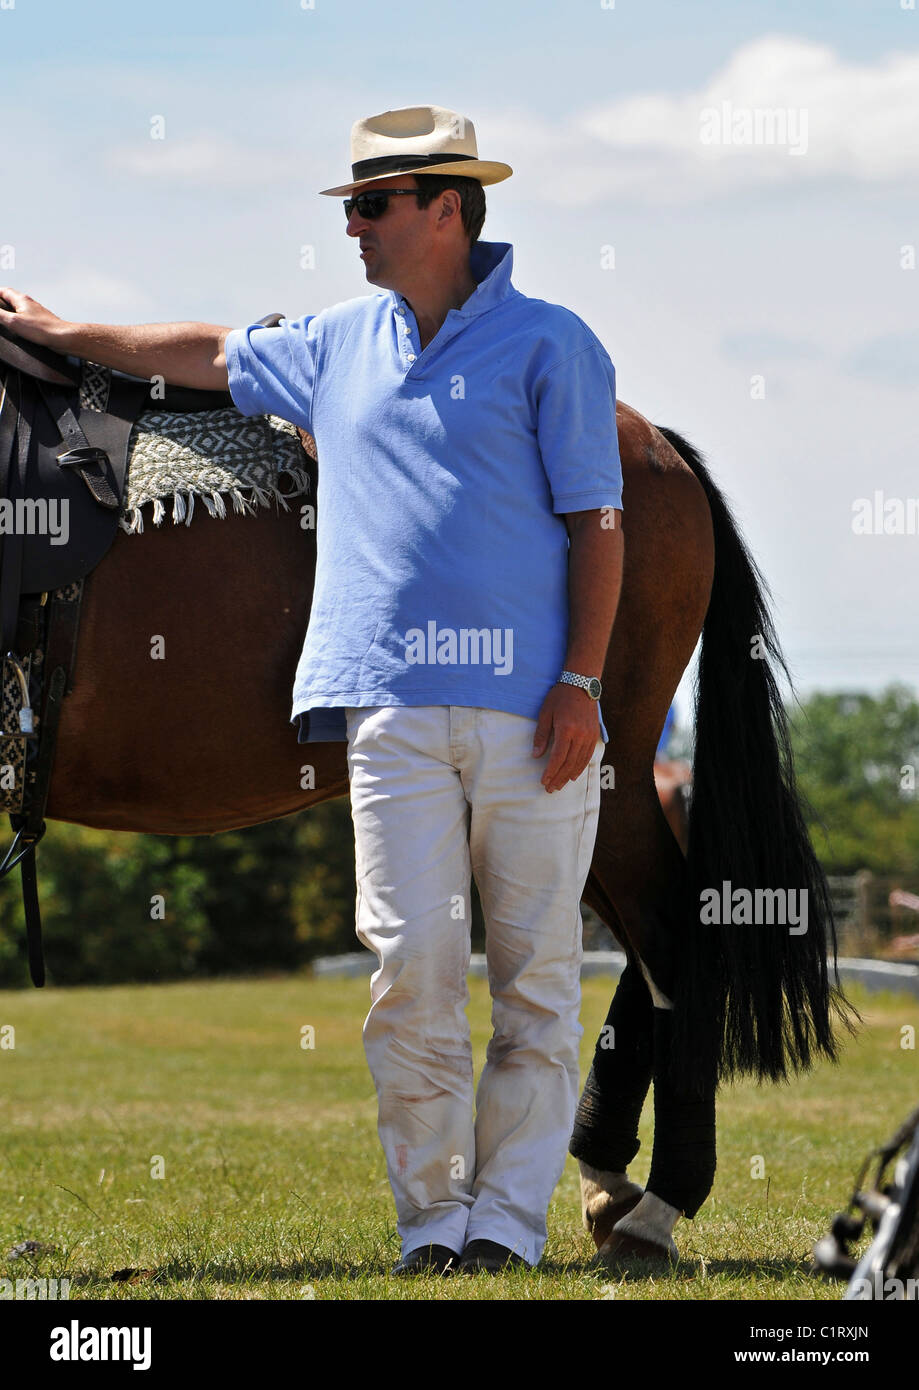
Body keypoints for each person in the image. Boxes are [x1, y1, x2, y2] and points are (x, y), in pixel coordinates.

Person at [0, 103, 625, 1275]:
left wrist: (582, 682)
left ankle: (508, 1227)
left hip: (529, 713)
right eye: (349, 207)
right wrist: (71, 330)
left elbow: (598, 521)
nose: (354, 226)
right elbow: (207, 352)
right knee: (409, 978)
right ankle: (436, 1228)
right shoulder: (340, 339)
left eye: (374, 206)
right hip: (381, 715)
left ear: (448, 208)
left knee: (535, 980)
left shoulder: (553, 344)